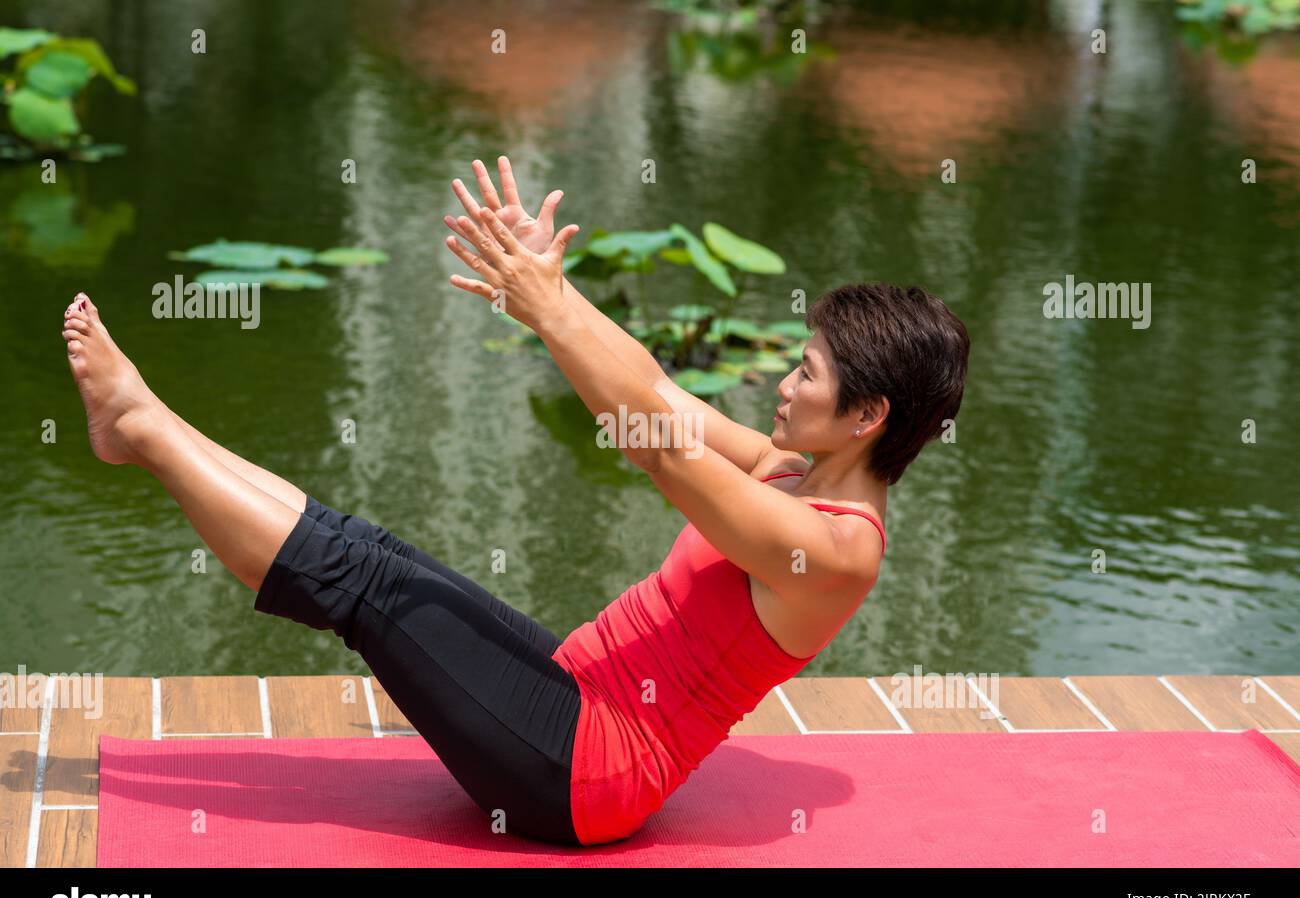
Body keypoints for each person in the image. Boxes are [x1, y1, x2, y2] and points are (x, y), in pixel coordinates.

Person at [59, 155, 969, 847]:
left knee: (363, 584)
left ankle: (138, 424)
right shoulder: (789, 467)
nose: (780, 381)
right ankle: (142, 419)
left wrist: (547, 311)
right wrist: (553, 285)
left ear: (867, 415)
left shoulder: (839, 550)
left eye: (804, 373)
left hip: (580, 774)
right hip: (576, 694)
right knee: (375, 552)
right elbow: (657, 386)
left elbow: (660, 447)